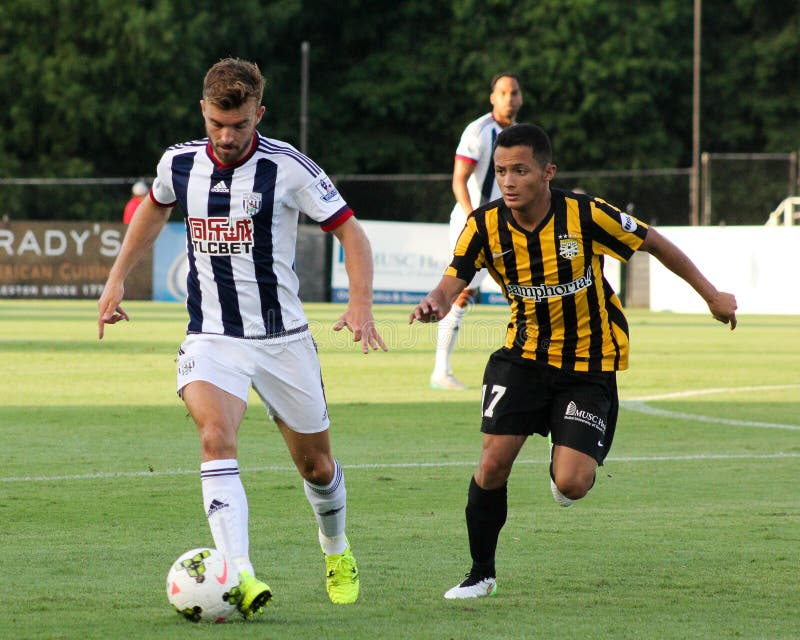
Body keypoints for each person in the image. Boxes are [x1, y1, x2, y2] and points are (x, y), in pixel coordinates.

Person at [98, 58, 388, 616]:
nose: (227, 137)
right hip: (212, 336)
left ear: (260, 114)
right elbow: (153, 210)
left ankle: (336, 550)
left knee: (317, 468)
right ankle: (241, 575)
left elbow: (351, 232)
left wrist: (360, 304)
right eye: (217, 124)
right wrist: (116, 279)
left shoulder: (289, 168)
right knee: (215, 437)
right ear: (203, 112)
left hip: (283, 339)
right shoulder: (178, 163)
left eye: (239, 125)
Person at [410, 124, 737, 599]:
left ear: (548, 172)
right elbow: (451, 280)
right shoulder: (484, 224)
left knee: (572, 484)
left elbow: (654, 242)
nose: (508, 182)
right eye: (501, 171)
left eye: (520, 171)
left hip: (588, 364)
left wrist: (712, 296)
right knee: (492, 463)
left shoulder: (585, 215)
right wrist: (435, 302)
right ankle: (481, 573)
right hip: (522, 358)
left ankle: (562, 447)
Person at [430, 73, 524, 390]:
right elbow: (459, 179)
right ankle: (440, 371)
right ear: (492, 97)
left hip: (507, 226)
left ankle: (531, 362)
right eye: (503, 93)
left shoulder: (521, 135)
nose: (509, 98)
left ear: (521, 97)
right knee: (460, 292)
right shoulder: (479, 131)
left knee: (525, 288)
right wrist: (474, 220)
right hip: (473, 224)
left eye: (514, 93)